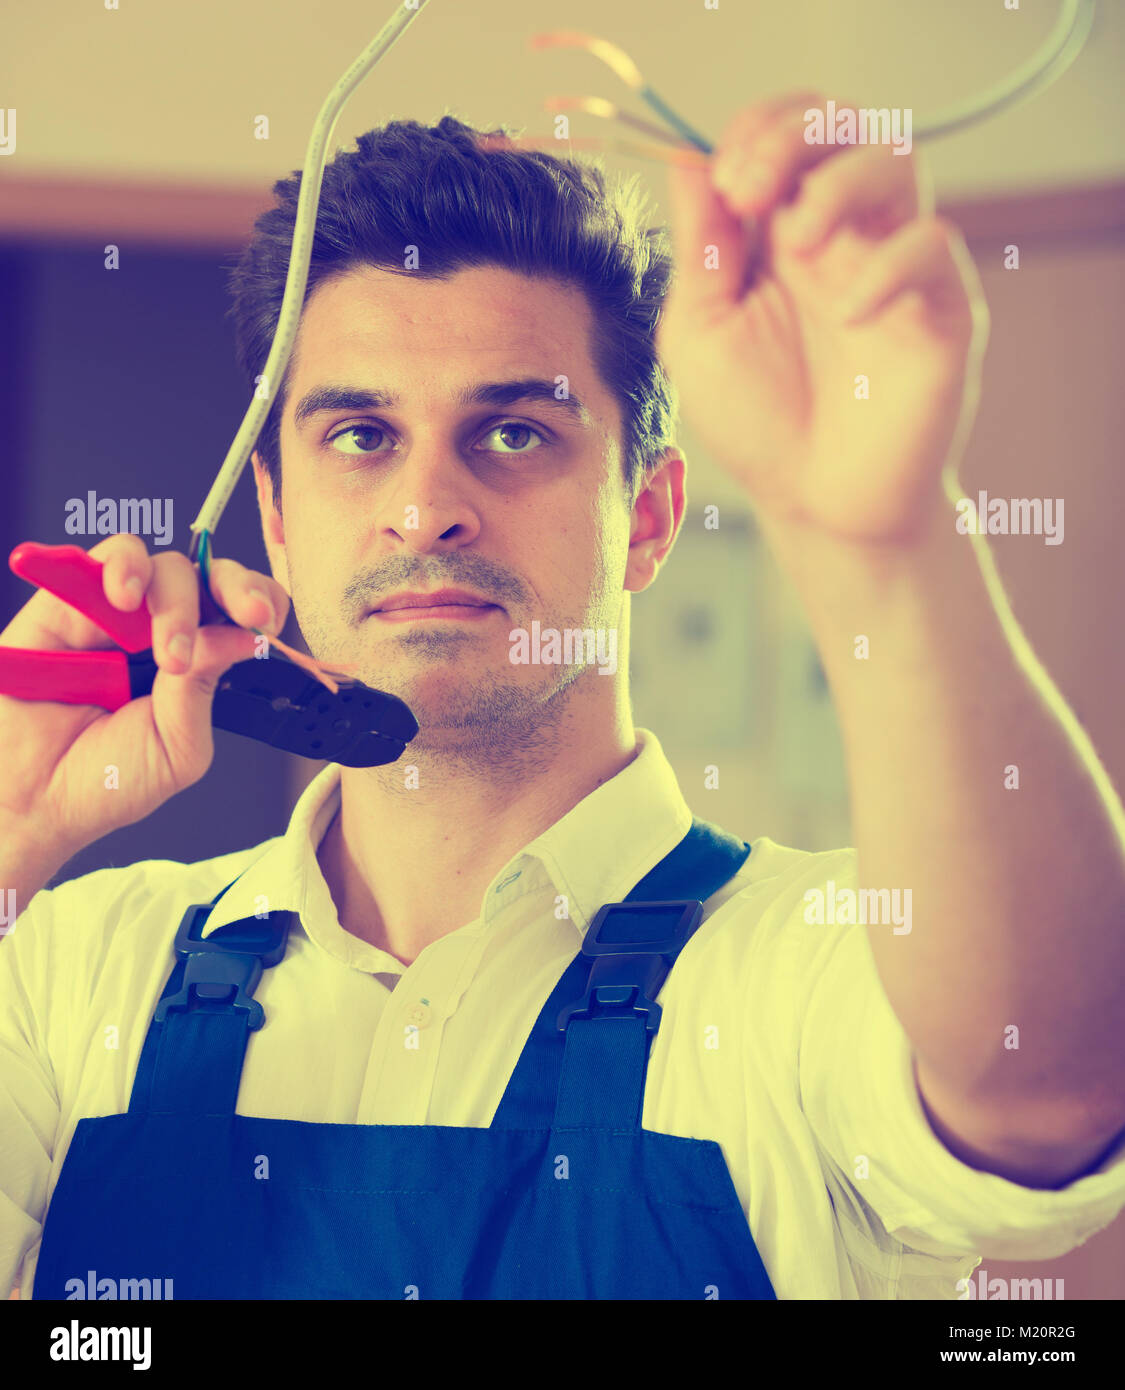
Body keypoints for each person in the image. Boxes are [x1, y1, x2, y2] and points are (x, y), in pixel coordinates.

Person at [2, 104, 1123, 1301]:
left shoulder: (808, 972)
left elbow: (1052, 1085)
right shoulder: (69, 974)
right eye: (363, 435)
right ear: (276, 516)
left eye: (513, 432)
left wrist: (886, 541)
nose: (425, 509)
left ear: (647, 516)